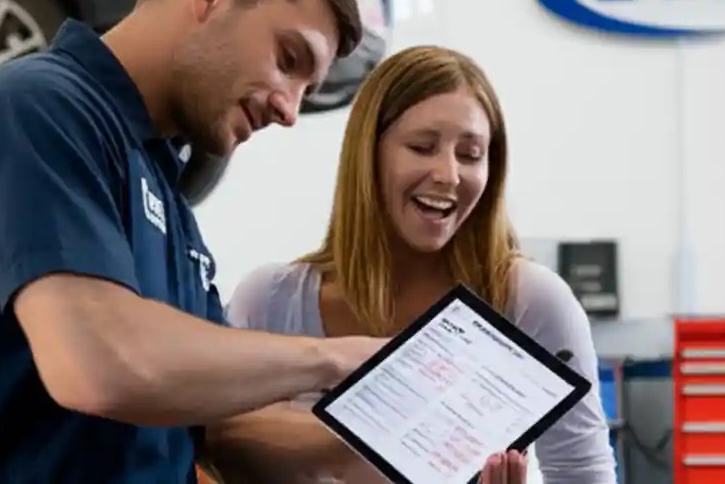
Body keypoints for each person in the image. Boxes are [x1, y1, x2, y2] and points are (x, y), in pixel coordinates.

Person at [0, 0, 408, 484]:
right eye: (288, 60)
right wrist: (332, 358)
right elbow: (96, 365)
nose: (288, 109)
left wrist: (416, 443)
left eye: (307, 89)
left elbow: (221, 429)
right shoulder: (37, 109)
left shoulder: (163, 189)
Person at [226, 45, 619, 484]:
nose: (449, 174)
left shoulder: (531, 300)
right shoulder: (269, 300)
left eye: (470, 155)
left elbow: (584, 471)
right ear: (368, 154)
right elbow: (213, 444)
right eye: (422, 146)